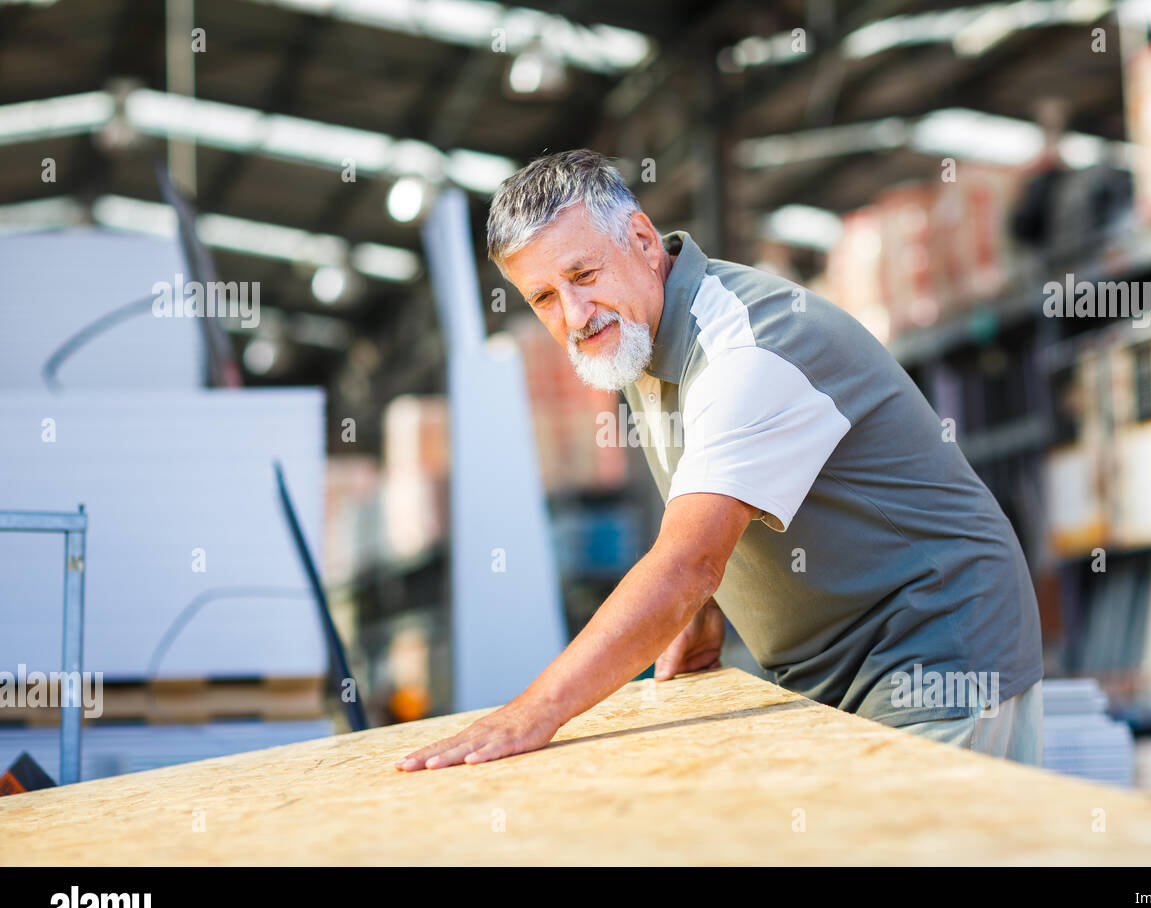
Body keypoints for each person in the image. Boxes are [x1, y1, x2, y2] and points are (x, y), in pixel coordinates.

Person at [397, 149, 1043, 772]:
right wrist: (708, 608)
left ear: (645, 242)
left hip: (939, 659)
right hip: (847, 670)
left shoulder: (745, 353)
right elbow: (724, 496)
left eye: (583, 275)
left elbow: (685, 564)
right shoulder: (634, 338)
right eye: (542, 298)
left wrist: (531, 712)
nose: (573, 315)